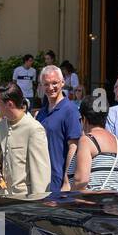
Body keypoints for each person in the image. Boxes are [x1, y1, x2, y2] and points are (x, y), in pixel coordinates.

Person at [0, 81, 49, 196]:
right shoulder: (1, 126)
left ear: (9, 104)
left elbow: (40, 174)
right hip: (3, 197)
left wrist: (38, 205)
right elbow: (0, 161)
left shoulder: (33, 128)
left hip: (24, 201)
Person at [36, 64, 82, 193]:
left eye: (54, 83)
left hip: (58, 182)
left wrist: (67, 181)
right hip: (41, 181)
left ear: (62, 83)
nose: (50, 88)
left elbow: (74, 147)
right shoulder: (41, 113)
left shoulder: (70, 110)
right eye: (46, 84)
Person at [68, 96, 118, 191]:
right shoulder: (117, 141)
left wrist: (70, 199)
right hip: (115, 202)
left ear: (84, 119)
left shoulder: (87, 141)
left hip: (93, 203)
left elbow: (81, 180)